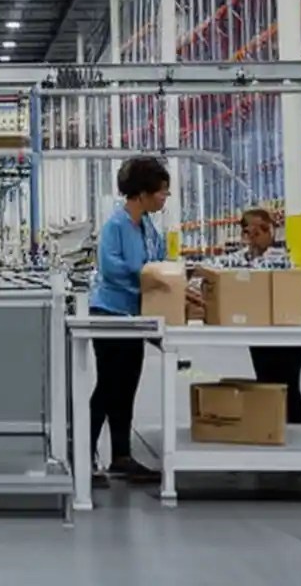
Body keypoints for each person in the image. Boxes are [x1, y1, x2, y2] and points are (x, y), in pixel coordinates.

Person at [88, 156, 172, 483]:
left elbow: (158, 262)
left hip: (136, 316)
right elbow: (113, 269)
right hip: (110, 313)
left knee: (127, 387)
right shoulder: (116, 226)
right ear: (142, 192)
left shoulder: (149, 227)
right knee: (108, 387)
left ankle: (121, 455)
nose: (164, 198)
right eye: (162, 192)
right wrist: (148, 278)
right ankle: (82, 455)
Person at [190, 208, 301, 424]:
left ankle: (292, 427)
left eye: (263, 229)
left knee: (288, 384)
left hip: (287, 332)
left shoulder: (282, 258)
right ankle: (271, 426)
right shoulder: (238, 259)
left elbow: (261, 274)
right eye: (250, 230)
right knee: (267, 382)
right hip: (259, 332)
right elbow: (209, 270)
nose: (257, 235)